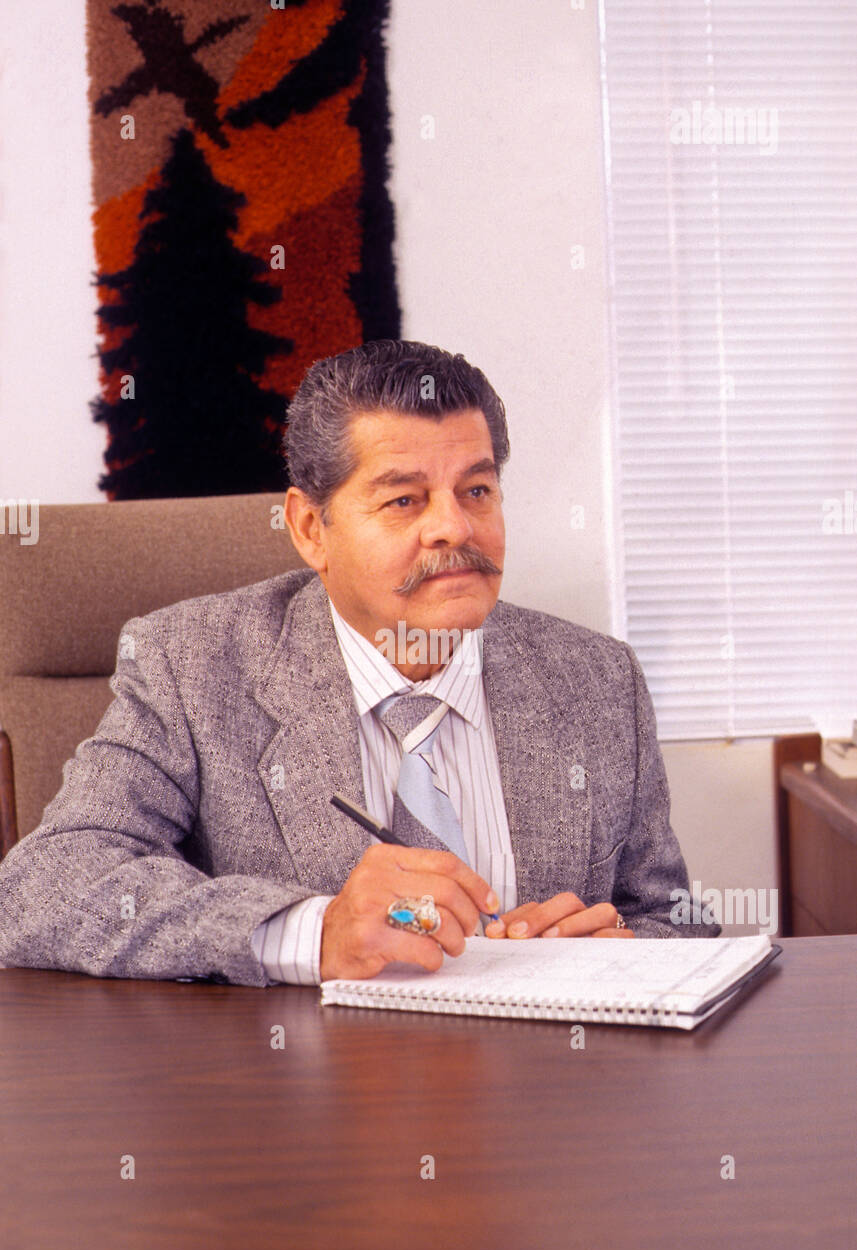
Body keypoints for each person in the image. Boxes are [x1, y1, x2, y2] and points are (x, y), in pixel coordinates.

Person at [0, 340, 717, 987]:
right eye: (404, 500)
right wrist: (313, 933)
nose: (454, 528)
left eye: (476, 490)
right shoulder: (190, 667)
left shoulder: (596, 679)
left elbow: (674, 919)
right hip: (300, 1101)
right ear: (312, 529)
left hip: (532, 1102)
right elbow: (42, 888)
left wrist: (623, 951)